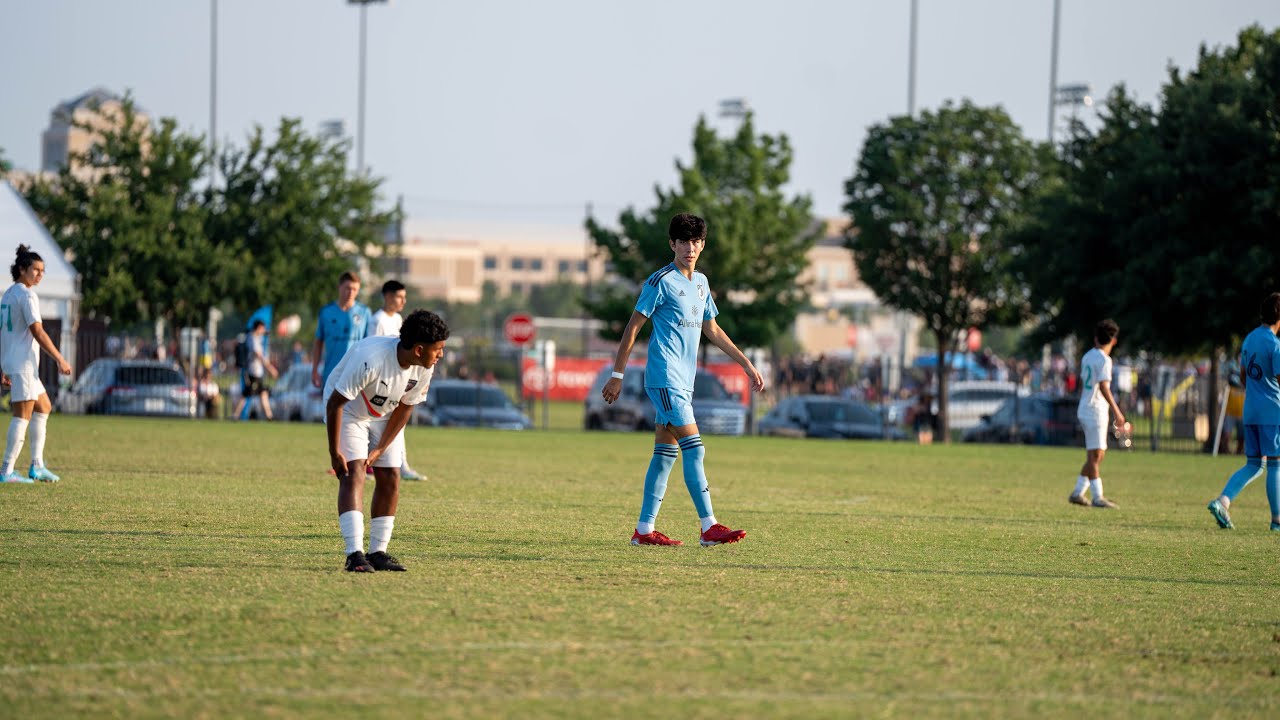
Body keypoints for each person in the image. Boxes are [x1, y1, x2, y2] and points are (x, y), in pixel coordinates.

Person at [602, 213, 765, 547]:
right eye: (683, 241)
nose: (690, 248)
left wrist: (745, 363)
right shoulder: (661, 280)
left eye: (696, 242)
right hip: (664, 378)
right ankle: (709, 527)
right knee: (696, 448)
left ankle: (644, 531)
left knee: (665, 454)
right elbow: (633, 327)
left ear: (702, 245)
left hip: (683, 383)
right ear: (672, 244)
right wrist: (617, 375)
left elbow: (713, 329)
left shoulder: (702, 283)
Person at [324, 309, 450, 572]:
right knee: (354, 473)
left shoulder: (425, 366)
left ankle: (378, 553)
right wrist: (335, 452)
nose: (440, 354)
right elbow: (335, 403)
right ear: (418, 349)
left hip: (385, 413)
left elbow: (406, 406)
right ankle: (355, 555)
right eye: (437, 349)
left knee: (391, 475)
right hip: (347, 411)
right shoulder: (370, 358)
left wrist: (380, 447)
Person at [1207, 293, 1280, 532]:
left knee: (1254, 464)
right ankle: (1277, 520)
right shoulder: (1274, 343)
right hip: (1272, 411)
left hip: (1250, 410)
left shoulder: (1249, 339)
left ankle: (1222, 501)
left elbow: (1242, 376)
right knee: (1275, 465)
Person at [0, 245, 72, 483]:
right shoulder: (27, 295)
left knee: (44, 407)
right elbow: (37, 331)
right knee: (22, 416)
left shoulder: (8, 294)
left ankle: (37, 465)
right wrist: (60, 358)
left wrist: (3, 365)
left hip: (15, 362)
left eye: (43, 271)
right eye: (36, 270)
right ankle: (7, 471)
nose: (40, 275)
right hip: (24, 365)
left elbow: (5, 333)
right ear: (22, 269)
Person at [370, 280, 425, 481]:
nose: (403, 301)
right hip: (383, 380)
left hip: (398, 376)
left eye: (404, 297)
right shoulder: (378, 320)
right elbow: (374, 349)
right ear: (388, 296)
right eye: (399, 296)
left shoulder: (398, 318)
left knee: (397, 421)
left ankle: (402, 464)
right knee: (381, 421)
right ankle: (378, 464)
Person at [1068, 319, 1126, 508]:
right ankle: (1098, 497)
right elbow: (1103, 386)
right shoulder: (1104, 360)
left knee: (1096, 456)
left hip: (1086, 407)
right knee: (1095, 456)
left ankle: (1077, 493)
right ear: (1113, 341)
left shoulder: (1087, 356)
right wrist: (1117, 411)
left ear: (1095, 339)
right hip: (1095, 409)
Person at [311, 271, 371, 390]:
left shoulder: (364, 312)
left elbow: (369, 344)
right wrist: (314, 370)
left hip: (356, 374)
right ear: (339, 287)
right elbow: (318, 343)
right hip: (331, 373)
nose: (351, 292)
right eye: (348, 288)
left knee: (353, 409)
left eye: (355, 289)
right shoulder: (326, 312)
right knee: (330, 408)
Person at [233, 320, 277, 420]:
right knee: (247, 394)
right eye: (262, 328)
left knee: (263, 393)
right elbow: (259, 355)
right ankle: (235, 415)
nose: (264, 330)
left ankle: (269, 416)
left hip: (257, 372)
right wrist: (270, 369)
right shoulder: (252, 338)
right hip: (253, 372)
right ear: (258, 327)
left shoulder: (257, 338)